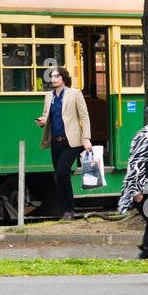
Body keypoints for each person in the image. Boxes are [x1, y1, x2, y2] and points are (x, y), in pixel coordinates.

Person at [34, 66, 92, 221]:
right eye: (51, 76)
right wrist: (42, 121)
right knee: (60, 177)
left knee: (62, 172)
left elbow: (84, 116)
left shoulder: (75, 94)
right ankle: (67, 209)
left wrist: (86, 138)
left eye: (56, 76)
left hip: (72, 142)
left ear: (63, 78)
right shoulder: (48, 96)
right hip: (55, 141)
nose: (53, 79)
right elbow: (47, 115)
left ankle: (68, 210)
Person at [117, 107, 148, 260]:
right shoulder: (145, 136)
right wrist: (136, 191)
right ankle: (147, 253)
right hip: (143, 187)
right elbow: (136, 165)